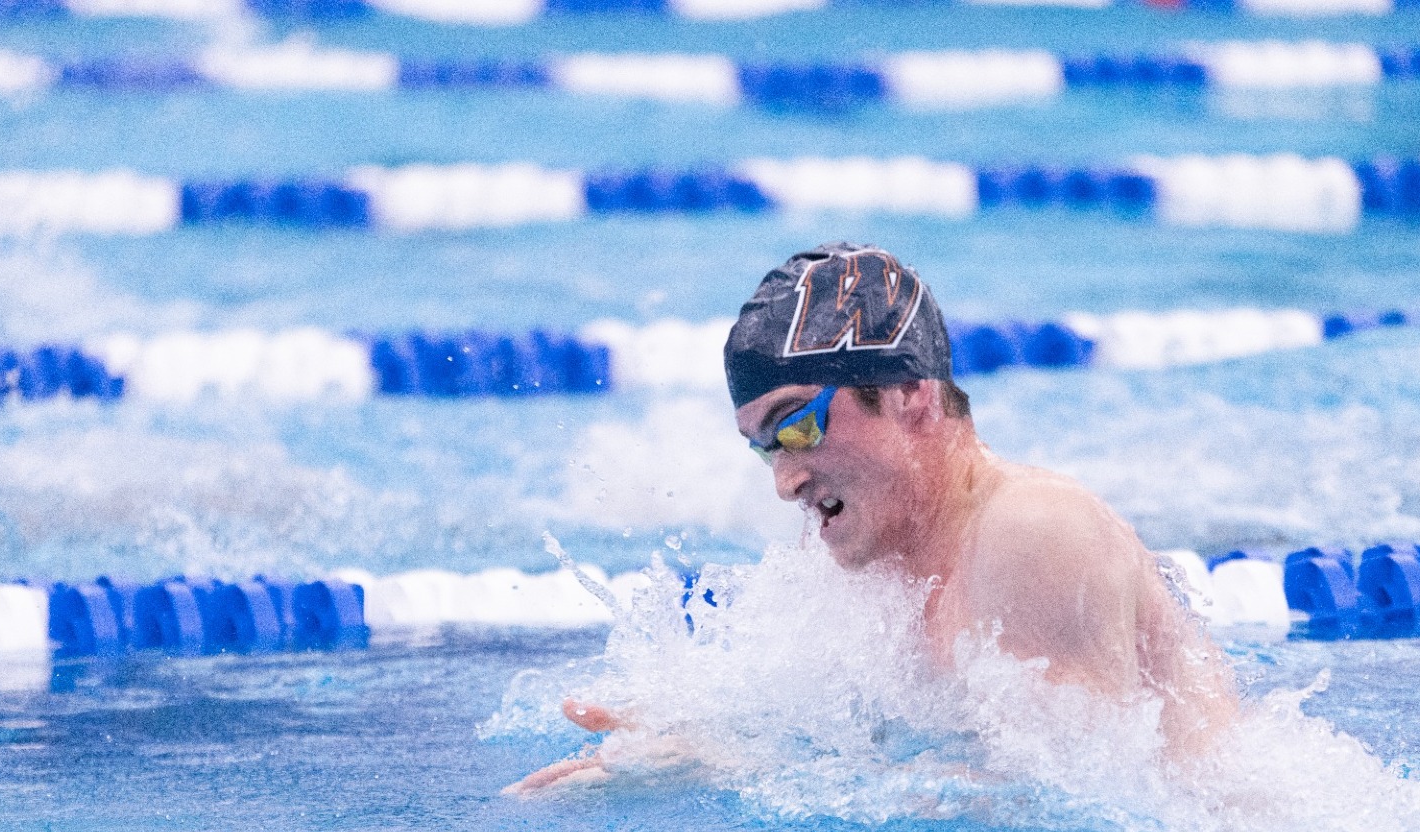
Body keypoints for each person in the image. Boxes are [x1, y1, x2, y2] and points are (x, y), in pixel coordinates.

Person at [508, 242, 1237, 795]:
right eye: (764, 447)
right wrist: (689, 744)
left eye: (798, 425)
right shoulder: (881, 562)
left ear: (910, 394)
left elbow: (1079, 796)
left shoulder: (1036, 530)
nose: (785, 481)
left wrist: (736, 775)